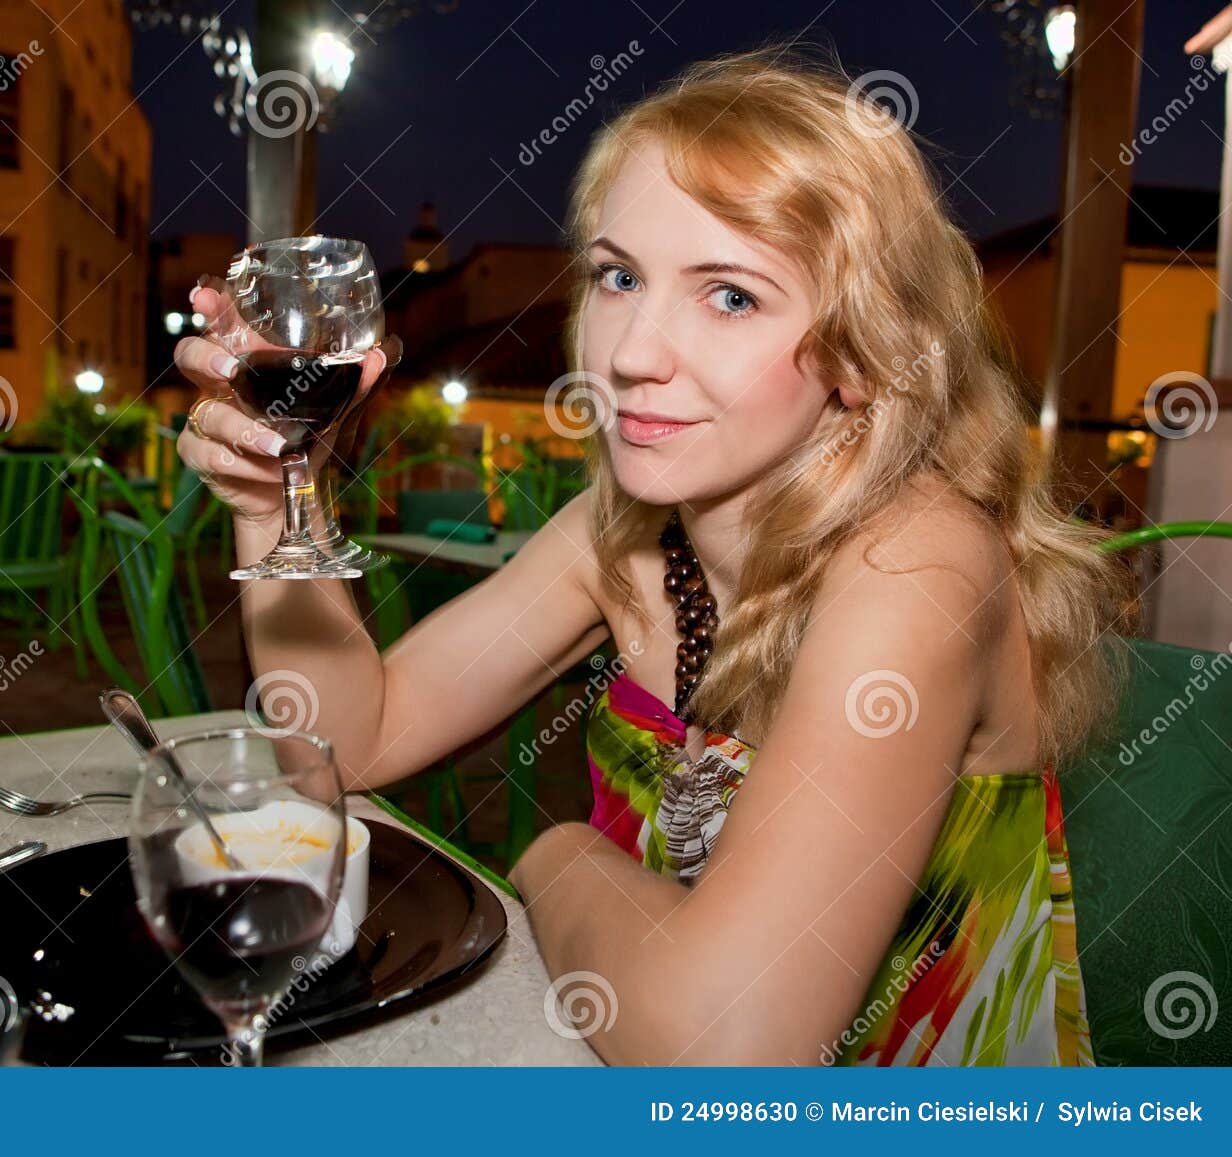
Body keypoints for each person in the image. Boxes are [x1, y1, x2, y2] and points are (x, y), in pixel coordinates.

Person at [171, 51, 1132, 1066]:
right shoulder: (619, 531)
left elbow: (727, 1043)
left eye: (729, 296)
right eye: (619, 276)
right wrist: (276, 499)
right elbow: (347, 743)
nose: (631, 351)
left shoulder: (918, 561)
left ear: (861, 351)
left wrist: (556, 852)